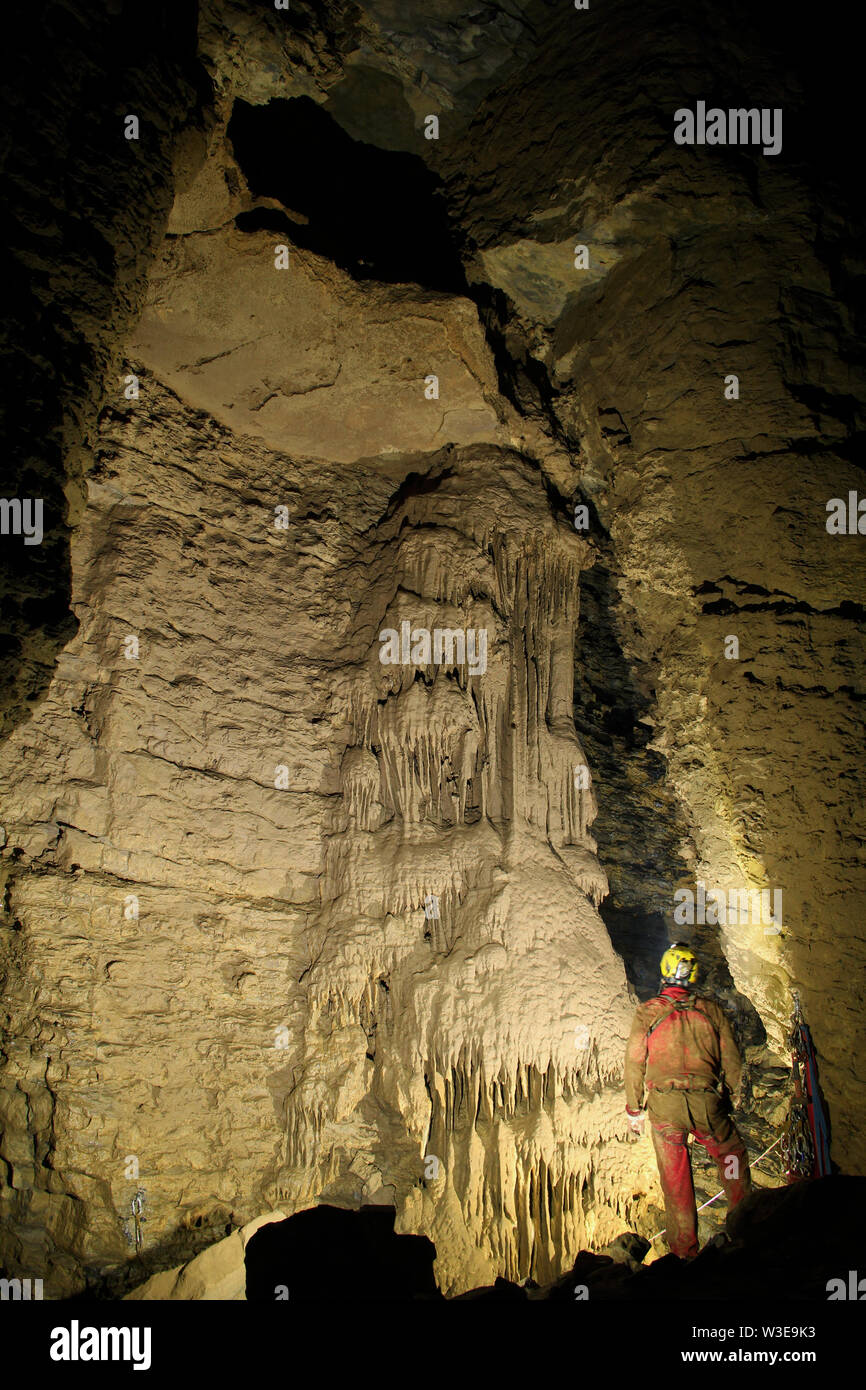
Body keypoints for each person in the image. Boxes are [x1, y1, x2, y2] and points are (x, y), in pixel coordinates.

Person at [624, 942, 751, 1259]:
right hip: (706, 1103)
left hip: (666, 1109)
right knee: (731, 1156)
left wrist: (634, 1108)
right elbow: (732, 1059)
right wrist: (733, 1096)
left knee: (676, 1182)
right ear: (693, 975)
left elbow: (635, 1062)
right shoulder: (710, 1010)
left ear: (665, 972)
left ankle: (684, 1254)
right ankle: (744, 1227)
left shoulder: (648, 1012)